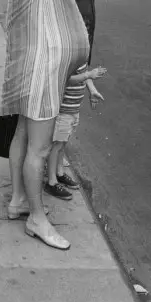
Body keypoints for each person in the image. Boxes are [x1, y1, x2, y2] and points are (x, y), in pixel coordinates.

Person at [0, 0, 151, 250]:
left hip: (42, 63)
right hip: (42, 68)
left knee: (24, 135)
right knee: (38, 147)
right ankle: (37, 220)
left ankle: (19, 201)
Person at [44, 64, 107, 201]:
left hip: (73, 109)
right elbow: (65, 78)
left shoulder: (82, 53)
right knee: (56, 145)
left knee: (63, 143)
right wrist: (88, 75)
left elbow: (85, 72)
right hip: (64, 110)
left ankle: (59, 172)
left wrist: (92, 89)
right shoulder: (70, 54)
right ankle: (51, 181)